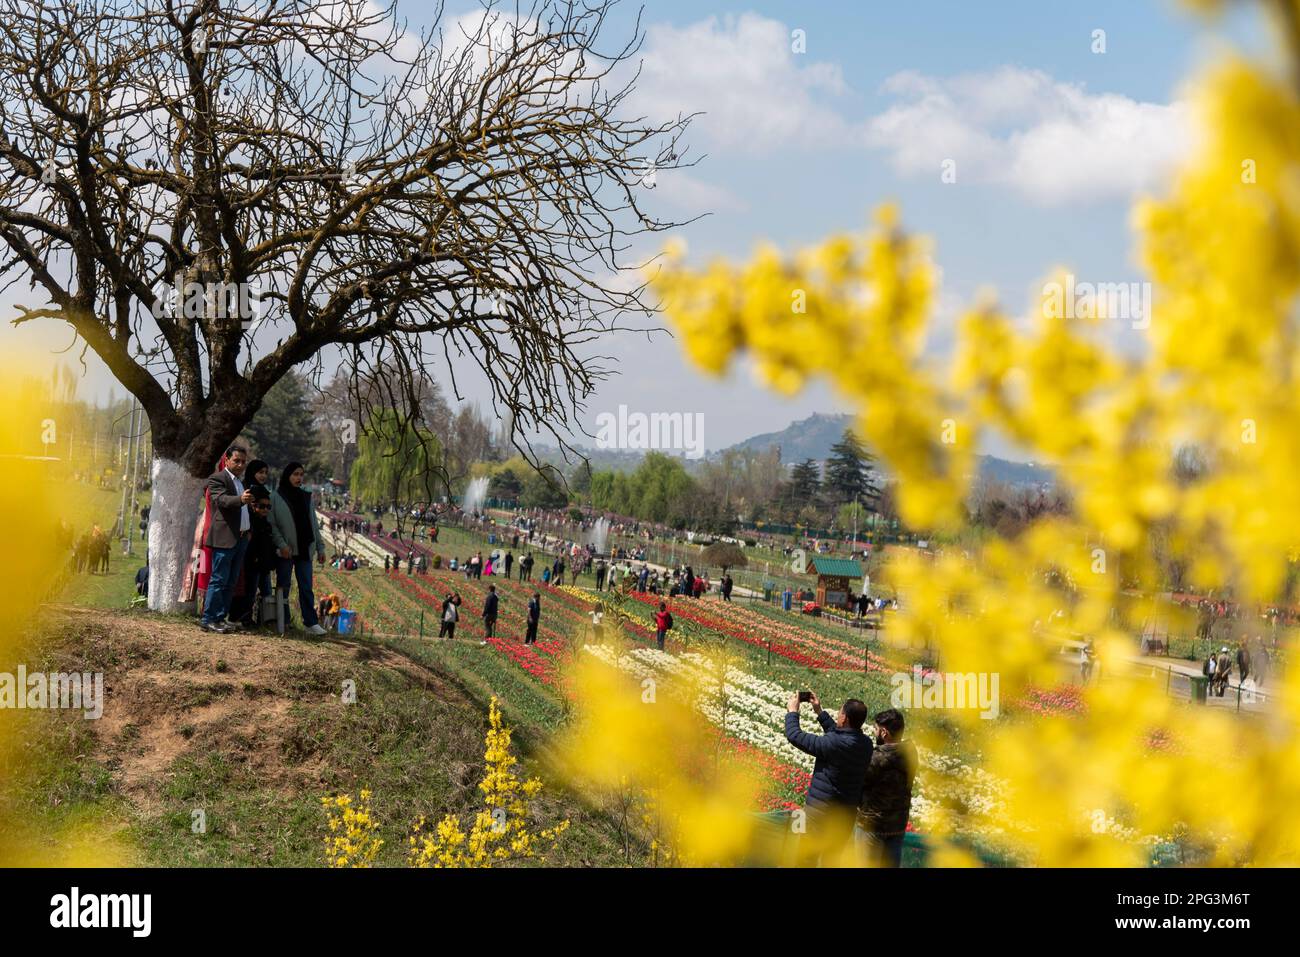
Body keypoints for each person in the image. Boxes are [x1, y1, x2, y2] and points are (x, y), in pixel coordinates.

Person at [784, 691, 873, 864]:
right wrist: (819, 711)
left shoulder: (833, 744)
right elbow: (840, 736)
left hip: (818, 816)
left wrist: (792, 712)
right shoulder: (866, 745)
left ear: (844, 718)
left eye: (839, 712)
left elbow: (794, 735)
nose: (837, 715)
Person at [200, 445, 256, 633]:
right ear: (227, 460)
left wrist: (248, 530)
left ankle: (220, 617)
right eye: (236, 460)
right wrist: (240, 500)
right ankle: (208, 619)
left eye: (243, 461)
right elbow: (221, 500)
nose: (240, 464)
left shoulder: (241, 482)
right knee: (219, 579)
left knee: (231, 581)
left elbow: (243, 508)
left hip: (240, 538)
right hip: (225, 538)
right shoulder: (218, 479)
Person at [270, 462, 327, 636]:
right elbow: (272, 525)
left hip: (304, 549)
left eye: (301, 474)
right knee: (284, 586)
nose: (298, 478)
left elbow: (313, 523)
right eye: (295, 474)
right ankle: (284, 621)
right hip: (286, 550)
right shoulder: (275, 496)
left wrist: (320, 547)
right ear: (287, 475)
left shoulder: (306, 496)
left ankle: (310, 623)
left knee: (306, 587)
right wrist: (282, 545)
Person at [858, 708, 917, 868]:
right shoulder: (911, 752)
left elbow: (861, 781)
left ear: (884, 733)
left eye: (876, 729)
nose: (874, 732)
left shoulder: (879, 757)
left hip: (873, 825)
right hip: (897, 824)